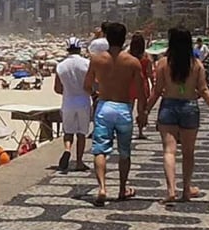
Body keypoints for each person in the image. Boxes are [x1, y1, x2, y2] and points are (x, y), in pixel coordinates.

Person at [152, 27, 209, 203]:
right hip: (190, 107)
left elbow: (157, 90)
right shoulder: (196, 64)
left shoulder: (163, 63)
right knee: (188, 152)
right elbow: (204, 89)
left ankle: (170, 190)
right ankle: (185, 190)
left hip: (168, 105)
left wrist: (146, 110)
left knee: (169, 150)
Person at [84, 22, 146, 204]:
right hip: (124, 107)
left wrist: (96, 93)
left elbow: (86, 85)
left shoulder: (97, 60)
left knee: (100, 150)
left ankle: (102, 188)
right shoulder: (133, 62)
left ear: (107, 39)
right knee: (125, 152)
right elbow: (141, 92)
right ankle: (121, 189)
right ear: (124, 38)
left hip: (104, 106)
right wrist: (142, 112)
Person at [53, 37, 92, 173]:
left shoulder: (60, 66)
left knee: (68, 131)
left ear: (67, 49)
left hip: (68, 101)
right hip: (83, 101)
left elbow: (57, 88)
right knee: (81, 133)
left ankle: (67, 149)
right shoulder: (87, 64)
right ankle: (79, 162)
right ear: (79, 48)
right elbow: (90, 84)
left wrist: (69, 90)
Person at [128, 33, 154, 140]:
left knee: (129, 109)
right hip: (142, 83)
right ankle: (140, 131)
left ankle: (127, 130)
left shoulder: (128, 55)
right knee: (141, 109)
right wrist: (153, 84)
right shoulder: (146, 56)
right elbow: (149, 73)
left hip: (130, 83)